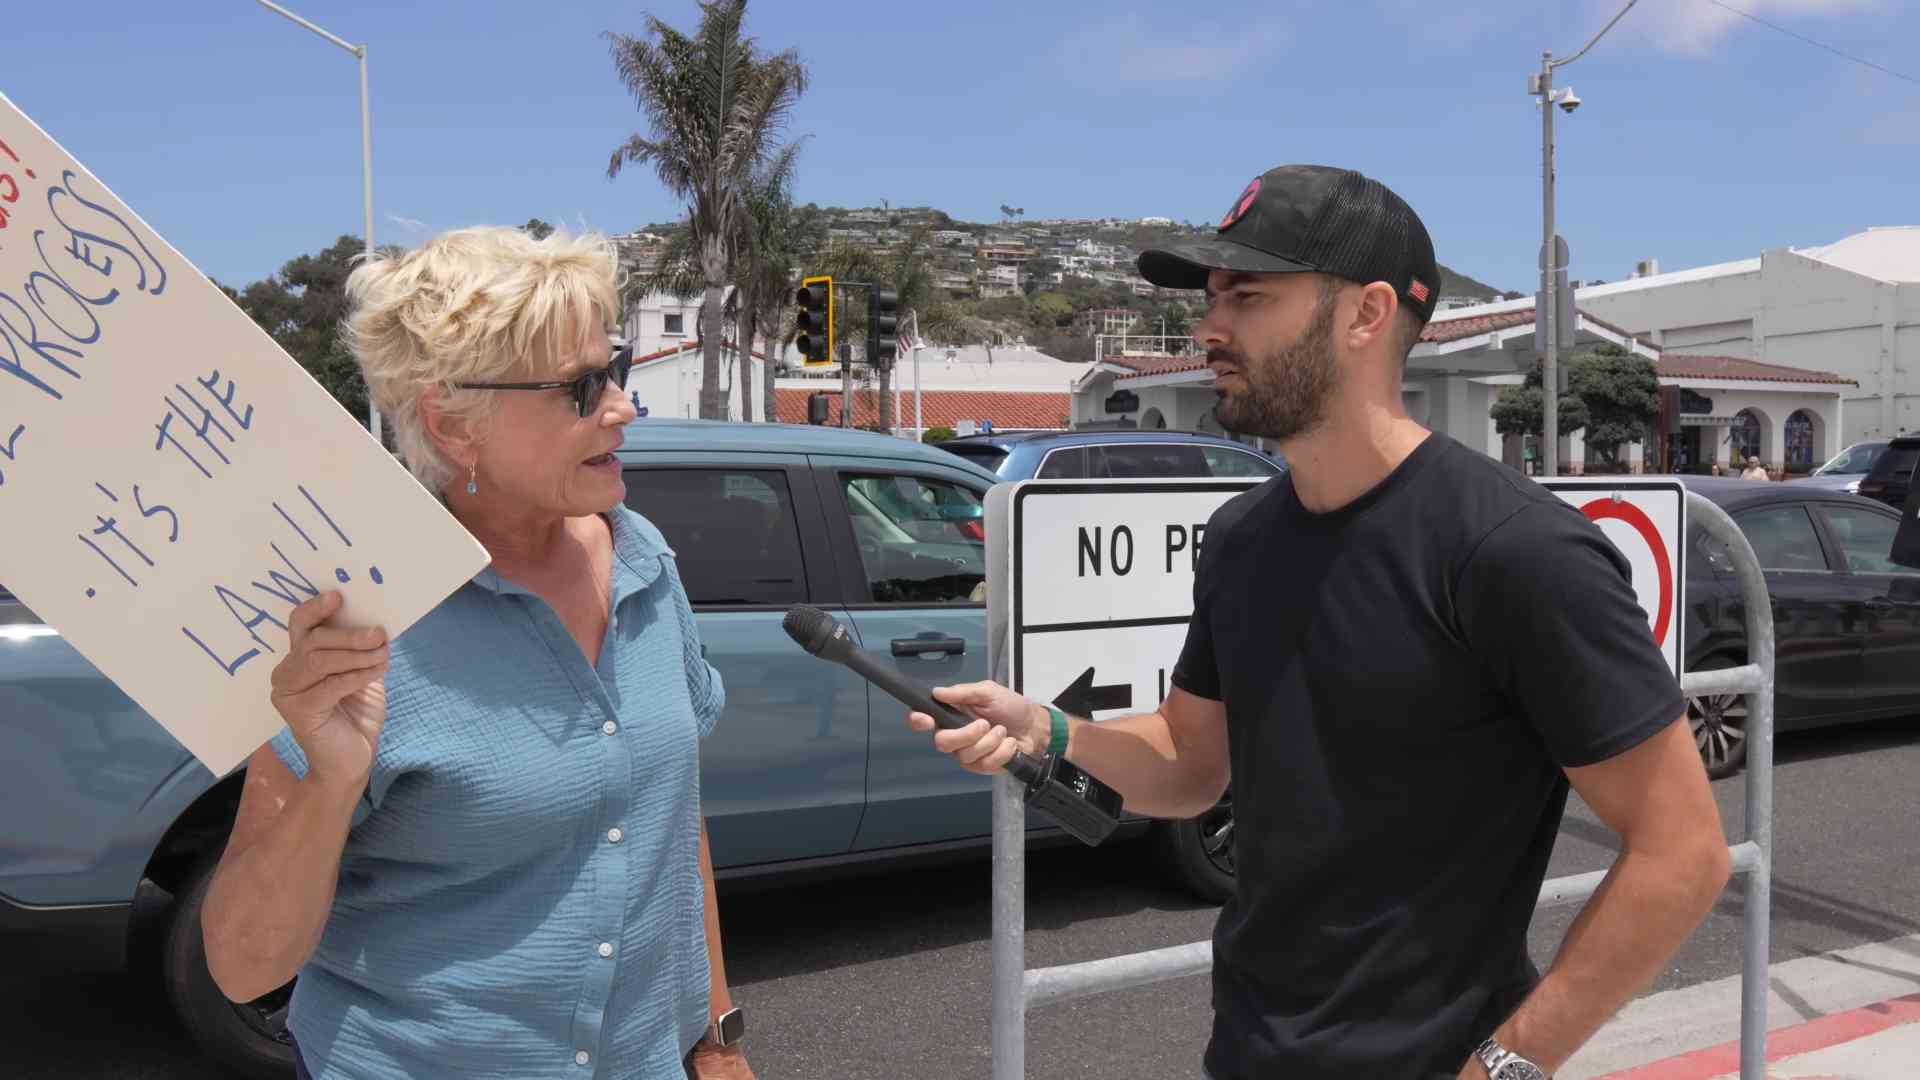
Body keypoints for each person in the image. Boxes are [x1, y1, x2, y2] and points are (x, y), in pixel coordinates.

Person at [907, 165, 1730, 1080]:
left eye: (1248, 296)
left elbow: (1681, 853)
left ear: (1366, 315)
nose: (1210, 327)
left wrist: (1506, 1066)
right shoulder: (1242, 538)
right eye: (1212, 298)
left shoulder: (1513, 551)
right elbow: (1191, 763)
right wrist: (1051, 729)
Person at [201, 226, 753, 1080]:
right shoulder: (360, 620)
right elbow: (243, 964)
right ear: (453, 423)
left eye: (618, 370)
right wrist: (333, 781)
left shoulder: (642, 557)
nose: (622, 408)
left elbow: (675, 825)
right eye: (580, 388)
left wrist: (716, 1036)